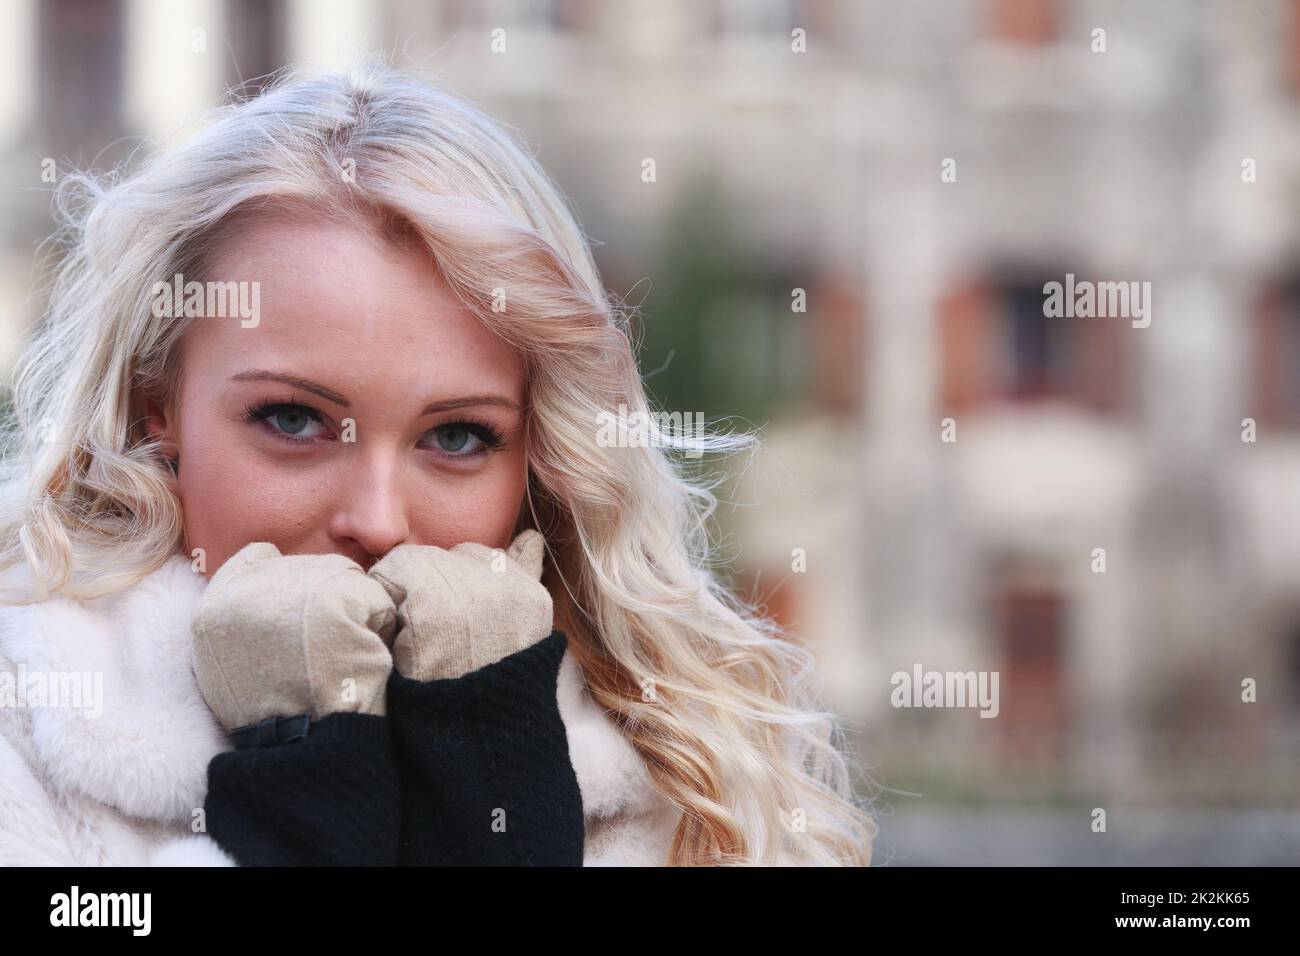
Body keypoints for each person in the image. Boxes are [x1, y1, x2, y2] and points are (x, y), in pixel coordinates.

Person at [0, 63, 875, 866]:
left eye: (457, 438)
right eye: (293, 419)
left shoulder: (690, 769)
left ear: (542, 454)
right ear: (163, 414)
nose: (378, 520)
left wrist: (489, 770)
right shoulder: (24, 719)